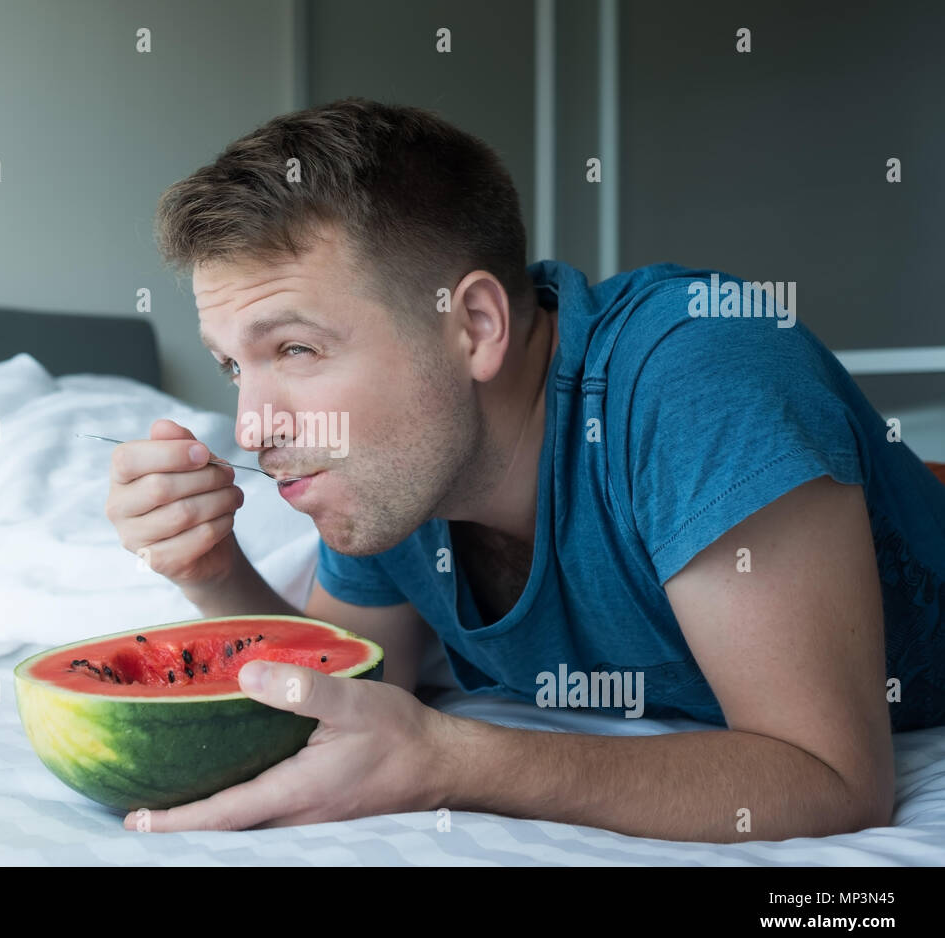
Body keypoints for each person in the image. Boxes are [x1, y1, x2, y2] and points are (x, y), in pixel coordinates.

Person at [102, 96, 945, 840]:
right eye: (232, 368)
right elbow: (357, 688)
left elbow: (831, 778)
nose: (254, 428)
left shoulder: (702, 375)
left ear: (473, 324)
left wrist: (455, 760)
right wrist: (213, 575)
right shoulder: (395, 468)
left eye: (296, 347)